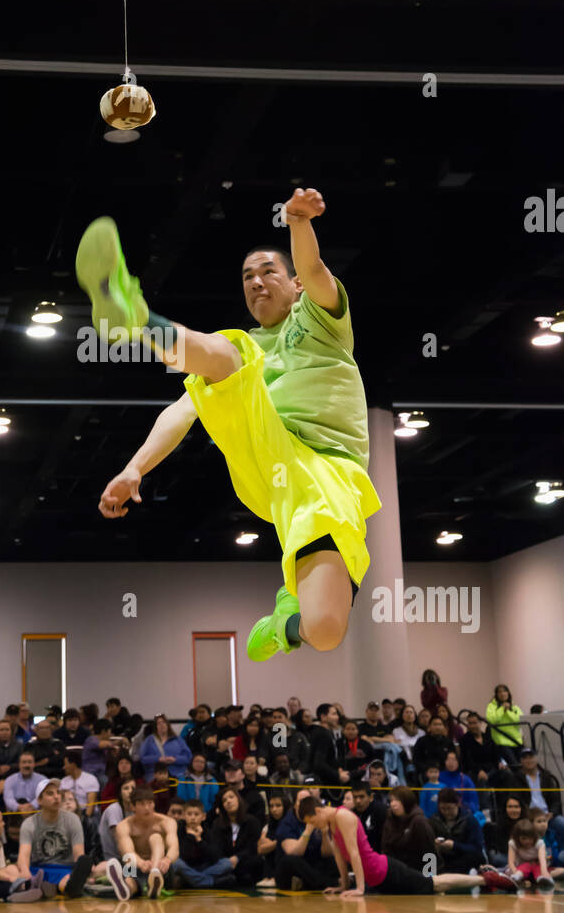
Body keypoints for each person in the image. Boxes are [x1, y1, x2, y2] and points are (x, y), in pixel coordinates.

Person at [76, 198, 382, 667]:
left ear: (295, 284)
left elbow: (314, 265)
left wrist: (298, 223)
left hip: (331, 477)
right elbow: (180, 413)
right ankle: (134, 318)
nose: (256, 281)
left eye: (267, 272)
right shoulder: (246, 349)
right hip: (268, 460)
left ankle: (284, 620)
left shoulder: (322, 319)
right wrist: (133, 469)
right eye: (246, 277)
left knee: (324, 630)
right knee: (227, 353)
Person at [299, 796, 510, 897]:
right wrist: (344, 886)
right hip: (378, 877)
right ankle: (484, 878)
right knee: (430, 887)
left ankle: (485, 878)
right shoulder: (330, 824)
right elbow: (339, 856)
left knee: (433, 884)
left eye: (311, 822)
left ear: (316, 812)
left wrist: (360, 889)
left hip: (384, 870)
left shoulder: (342, 816)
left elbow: (354, 853)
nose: (313, 826)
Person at [15, 779, 94, 896]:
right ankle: (38, 887)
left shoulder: (73, 819)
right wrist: (25, 872)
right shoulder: (29, 823)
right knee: (15, 871)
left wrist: (82, 871)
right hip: (39, 869)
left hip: (65, 868)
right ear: (40, 800)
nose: (56, 797)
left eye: (58, 793)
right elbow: (24, 854)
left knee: (70, 878)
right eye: (50, 794)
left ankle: (62, 888)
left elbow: (79, 854)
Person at [107, 787, 179, 900]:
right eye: (141, 804)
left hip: (161, 868)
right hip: (137, 865)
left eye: (150, 803)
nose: (147, 808)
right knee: (129, 865)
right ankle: (126, 889)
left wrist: (167, 860)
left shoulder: (167, 822)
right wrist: (140, 863)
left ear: (154, 804)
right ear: (133, 807)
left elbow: (174, 847)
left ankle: (153, 879)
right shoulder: (124, 826)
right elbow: (126, 851)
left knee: (156, 837)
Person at [273, 787, 339, 891]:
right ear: (295, 805)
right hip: (291, 868)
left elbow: (327, 853)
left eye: (308, 801)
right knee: (291, 861)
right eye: (301, 801)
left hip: (313, 864)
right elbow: (293, 852)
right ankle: (329, 883)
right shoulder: (287, 823)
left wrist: (325, 834)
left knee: (333, 859)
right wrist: (308, 831)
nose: (305, 805)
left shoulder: (319, 817)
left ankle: (306, 883)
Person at [170, 800, 239, 890]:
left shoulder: (207, 830)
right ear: (184, 816)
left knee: (227, 863)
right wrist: (190, 836)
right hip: (187, 866)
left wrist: (199, 840)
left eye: (196, 814)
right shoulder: (179, 829)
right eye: (189, 814)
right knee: (175, 863)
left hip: (205, 867)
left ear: (203, 817)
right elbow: (182, 855)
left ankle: (193, 881)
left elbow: (215, 857)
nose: (193, 818)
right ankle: (209, 882)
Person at [382, 786, 437, 872]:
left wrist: (430, 878)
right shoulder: (390, 819)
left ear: (407, 801)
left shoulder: (419, 821)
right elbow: (385, 848)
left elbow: (429, 852)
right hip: (396, 872)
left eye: (397, 800)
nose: (393, 804)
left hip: (418, 873)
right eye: (391, 800)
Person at [429, 789, 484, 874]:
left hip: (462, 858)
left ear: (458, 804)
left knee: (475, 857)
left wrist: (454, 845)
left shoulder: (469, 820)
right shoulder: (434, 820)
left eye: (450, 808)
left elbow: (477, 849)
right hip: (442, 858)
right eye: (443, 809)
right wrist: (434, 845)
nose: (446, 812)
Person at [308, 703, 352, 792]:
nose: (337, 717)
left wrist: (338, 769)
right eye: (334, 714)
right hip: (324, 782)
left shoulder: (327, 733)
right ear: (323, 717)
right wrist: (337, 775)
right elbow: (319, 763)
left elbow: (330, 758)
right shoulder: (322, 734)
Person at [506, 817, 556, 892]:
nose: (527, 841)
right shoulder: (513, 843)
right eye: (524, 838)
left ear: (534, 836)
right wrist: (515, 872)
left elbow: (542, 861)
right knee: (525, 866)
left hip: (537, 866)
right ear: (517, 837)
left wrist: (544, 873)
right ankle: (518, 876)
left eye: (530, 838)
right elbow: (511, 862)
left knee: (538, 868)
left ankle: (542, 879)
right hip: (521, 868)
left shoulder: (539, 843)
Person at [139, 714, 192, 782]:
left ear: (167, 724)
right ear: (156, 727)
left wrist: (175, 759)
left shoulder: (178, 740)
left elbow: (188, 757)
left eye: (163, 722)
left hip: (177, 774)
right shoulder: (149, 740)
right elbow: (142, 758)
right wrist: (158, 759)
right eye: (158, 723)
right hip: (155, 775)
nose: (161, 725)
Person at [256, 791, 291, 886]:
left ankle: (276, 878)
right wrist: (276, 843)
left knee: (279, 850)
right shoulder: (268, 826)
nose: (274, 809)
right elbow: (260, 849)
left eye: (278, 805)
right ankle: (268, 877)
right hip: (269, 859)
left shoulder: (290, 823)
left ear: (285, 806)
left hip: (285, 859)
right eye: (271, 806)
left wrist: (273, 844)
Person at [484, 795, 527, 868]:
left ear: (521, 808)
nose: (513, 810)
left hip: (525, 856)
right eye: (510, 807)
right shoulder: (499, 825)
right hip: (506, 856)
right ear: (505, 809)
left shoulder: (527, 824)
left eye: (516, 807)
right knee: (496, 858)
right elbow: (501, 848)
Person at [485, 685, 523, 766]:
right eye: (499, 692)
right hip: (502, 742)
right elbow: (492, 720)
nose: (502, 693)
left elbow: (520, 720)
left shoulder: (514, 706)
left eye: (504, 691)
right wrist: (502, 709)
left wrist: (508, 711)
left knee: (523, 766)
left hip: (516, 741)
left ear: (508, 693)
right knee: (515, 766)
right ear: (496, 694)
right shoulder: (491, 706)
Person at [81, 718, 128, 782]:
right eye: (110, 731)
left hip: (100, 773)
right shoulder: (91, 739)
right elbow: (104, 745)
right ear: (103, 731)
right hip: (89, 773)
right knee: (104, 781)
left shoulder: (105, 743)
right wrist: (120, 741)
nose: (111, 734)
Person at [350, 780, 387, 853]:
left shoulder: (381, 812)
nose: (358, 801)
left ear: (371, 797)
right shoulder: (352, 814)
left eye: (361, 797)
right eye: (355, 797)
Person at [439, 749, 479, 815]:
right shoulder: (438, 777)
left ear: (458, 762)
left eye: (454, 760)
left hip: (463, 814)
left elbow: (474, 802)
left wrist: (467, 809)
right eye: (448, 759)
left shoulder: (466, 779)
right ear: (444, 762)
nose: (451, 762)